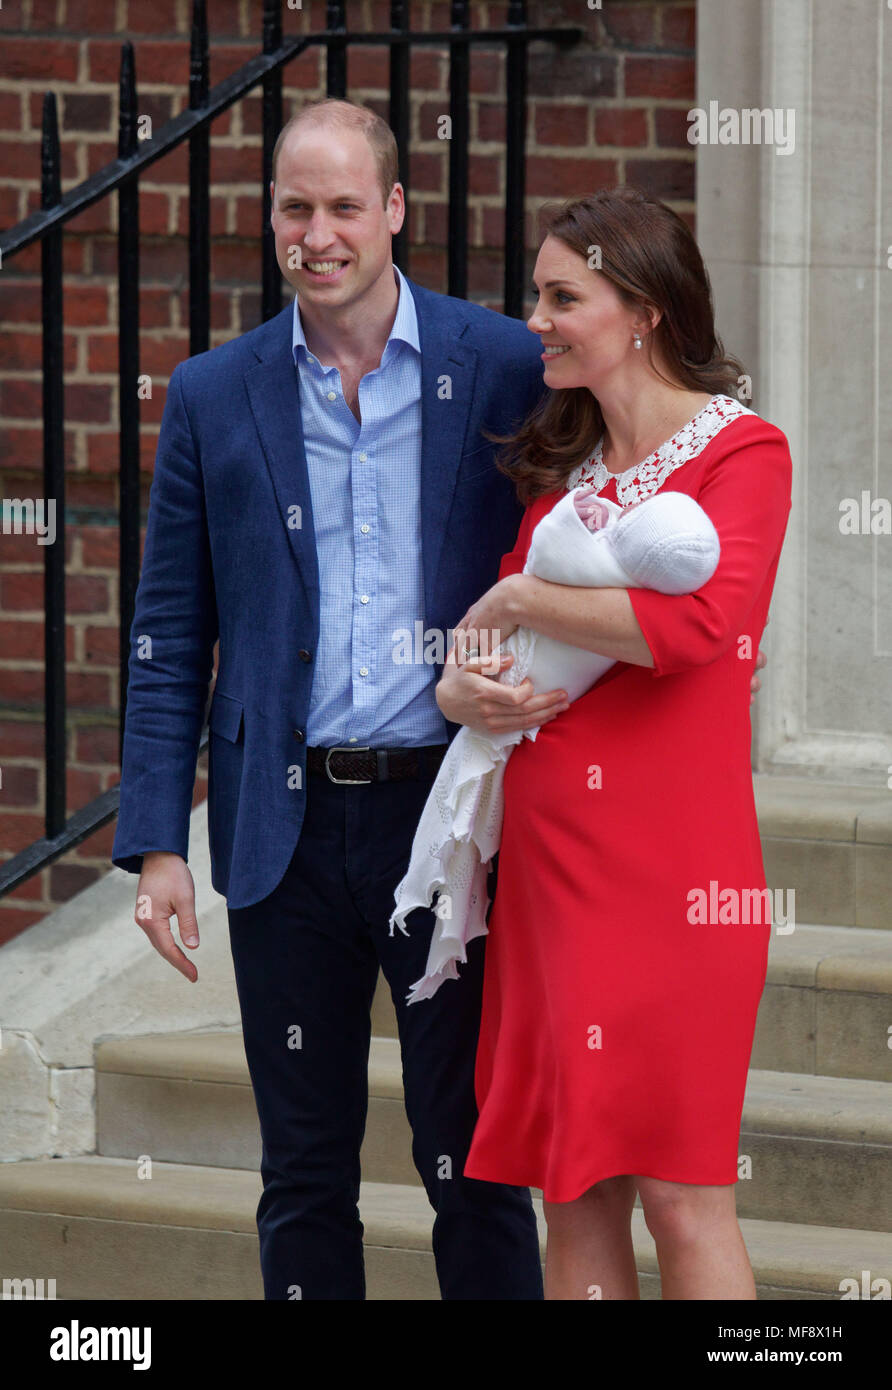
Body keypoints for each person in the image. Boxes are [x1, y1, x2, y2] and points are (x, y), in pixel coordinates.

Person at [434, 186, 792, 1301]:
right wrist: (458, 687)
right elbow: (487, 649)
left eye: (561, 298)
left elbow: (699, 627)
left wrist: (521, 599)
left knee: (684, 1195)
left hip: (678, 883)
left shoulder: (744, 452)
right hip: (548, 879)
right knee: (574, 1188)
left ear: (642, 311)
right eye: (537, 296)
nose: (534, 319)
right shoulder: (564, 478)